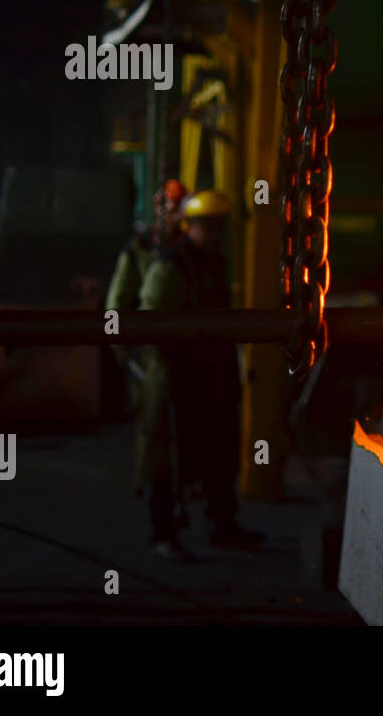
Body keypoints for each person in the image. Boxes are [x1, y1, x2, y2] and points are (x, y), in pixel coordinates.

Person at [137, 188, 263, 560]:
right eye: (206, 226)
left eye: (218, 226)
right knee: (168, 457)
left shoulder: (215, 263)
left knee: (219, 454)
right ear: (190, 226)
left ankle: (222, 525)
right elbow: (150, 321)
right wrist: (173, 364)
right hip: (178, 378)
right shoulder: (170, 267)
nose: (214, 233)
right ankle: (163, 532)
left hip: (213, 376)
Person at [106, 179, 187, 407]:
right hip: (150, 355)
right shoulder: (139, 249)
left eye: (182, 211)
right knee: (152, 424)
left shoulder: (187, 250)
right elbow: (117, 302)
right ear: (159, 208)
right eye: (174, 210)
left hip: (184, 350)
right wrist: (123, 354)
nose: (179, 217)